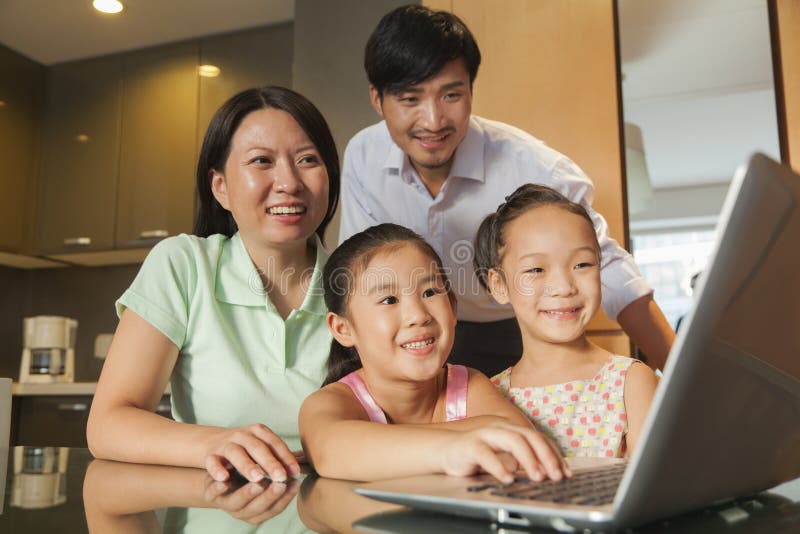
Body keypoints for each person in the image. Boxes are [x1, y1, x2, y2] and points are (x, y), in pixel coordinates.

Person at [338, 4, 675, 376]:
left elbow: (609, 268)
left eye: (451, 95)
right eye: (410, 100)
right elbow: (360, 272)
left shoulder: (535, 167)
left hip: (514, 331)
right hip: (416, 332)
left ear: (470, 89)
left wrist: (677, 370)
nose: (433, 121)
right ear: (377, 99)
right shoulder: (363, 156)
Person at [87, 86, 340, 485]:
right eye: (261, 161)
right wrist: (213, 444)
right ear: (220, 187)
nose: (289, 181)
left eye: (307, 160)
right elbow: (107, 424)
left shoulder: (362, 283)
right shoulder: (184, 264)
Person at [299, 223, 571, 483]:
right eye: (389, 300)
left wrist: (378, 442)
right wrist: (456, 447)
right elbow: (331, 449)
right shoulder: (330, 403)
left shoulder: (469, 385)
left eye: (430, 292)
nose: (418, 315)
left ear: (452, 307)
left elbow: (518, 441)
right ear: (343, 328)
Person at [473, 184, 659, 458]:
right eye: (536, 269)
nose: (563, 287)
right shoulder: (487, 395)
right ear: (499, 285)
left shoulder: (632, 382)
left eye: (582, 264)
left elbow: (648, 492)